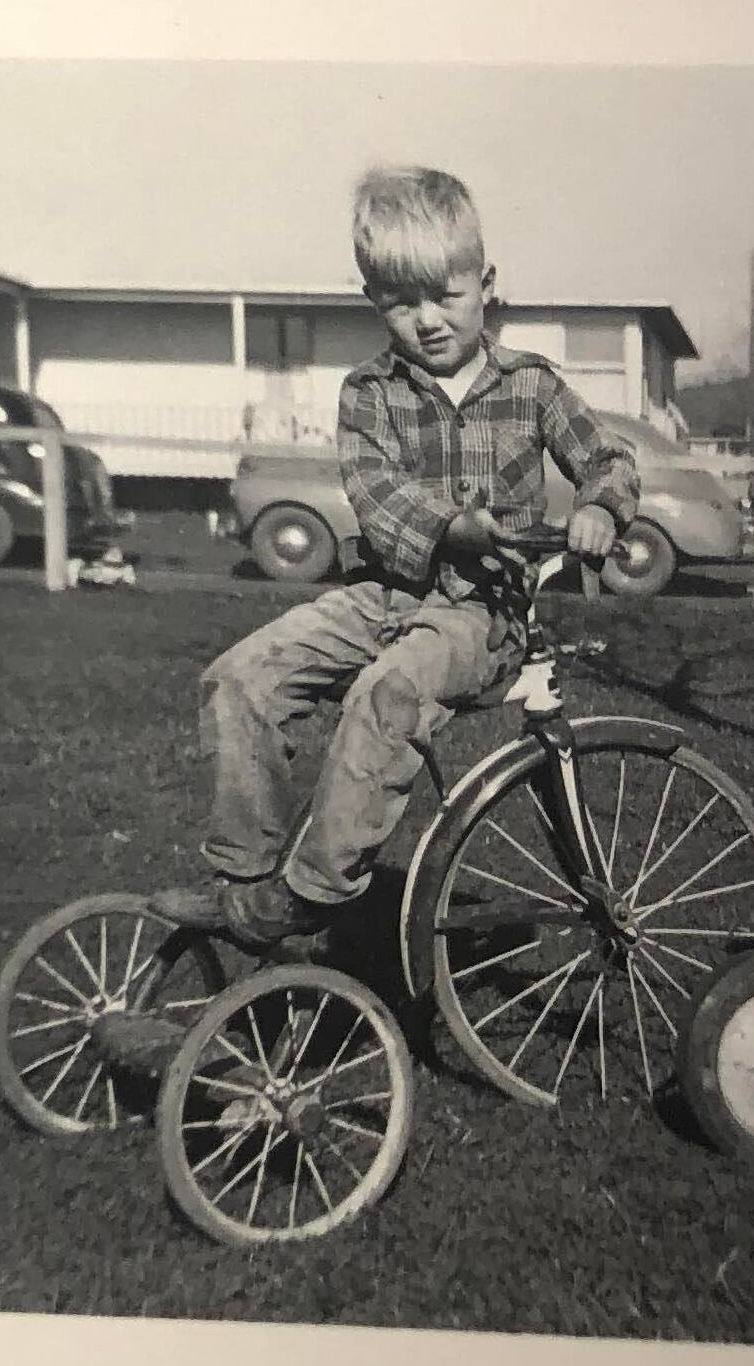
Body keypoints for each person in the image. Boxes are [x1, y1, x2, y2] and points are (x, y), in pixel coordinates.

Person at [154, 166, 641, 948]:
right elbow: (376, 495)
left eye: (444, 296)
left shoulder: (532, 387)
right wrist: (453, 524)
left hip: (482, 615)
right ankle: (244, 881)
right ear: (371, 302)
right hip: (380, 596)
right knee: (241, 676)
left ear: (484, 283)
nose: (427, 321)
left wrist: (596, 506)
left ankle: (312, 892)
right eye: (399, 303)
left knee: (388, 692)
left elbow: (609, 459)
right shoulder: (368, 393)